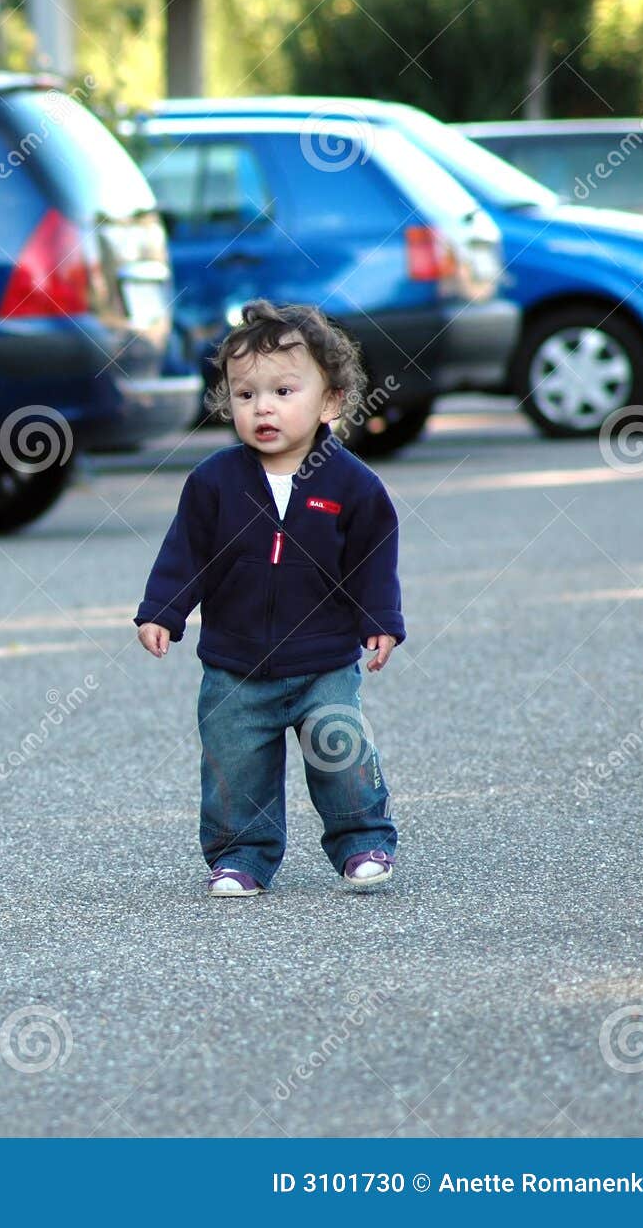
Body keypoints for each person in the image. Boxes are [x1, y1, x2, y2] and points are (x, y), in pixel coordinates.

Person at [134, 300, 404, 897]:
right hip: (235, 665)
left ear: (330, 400)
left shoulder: (352, 484)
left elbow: (372, 559)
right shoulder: (214, 483)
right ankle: (242, 856)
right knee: (234, 766)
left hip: (324, 660)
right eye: (245, 394)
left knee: (342, 754)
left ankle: (362, 842)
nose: (264, 408)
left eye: (284, 390)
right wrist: (163, 611)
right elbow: (185, 554)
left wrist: (380, 620)